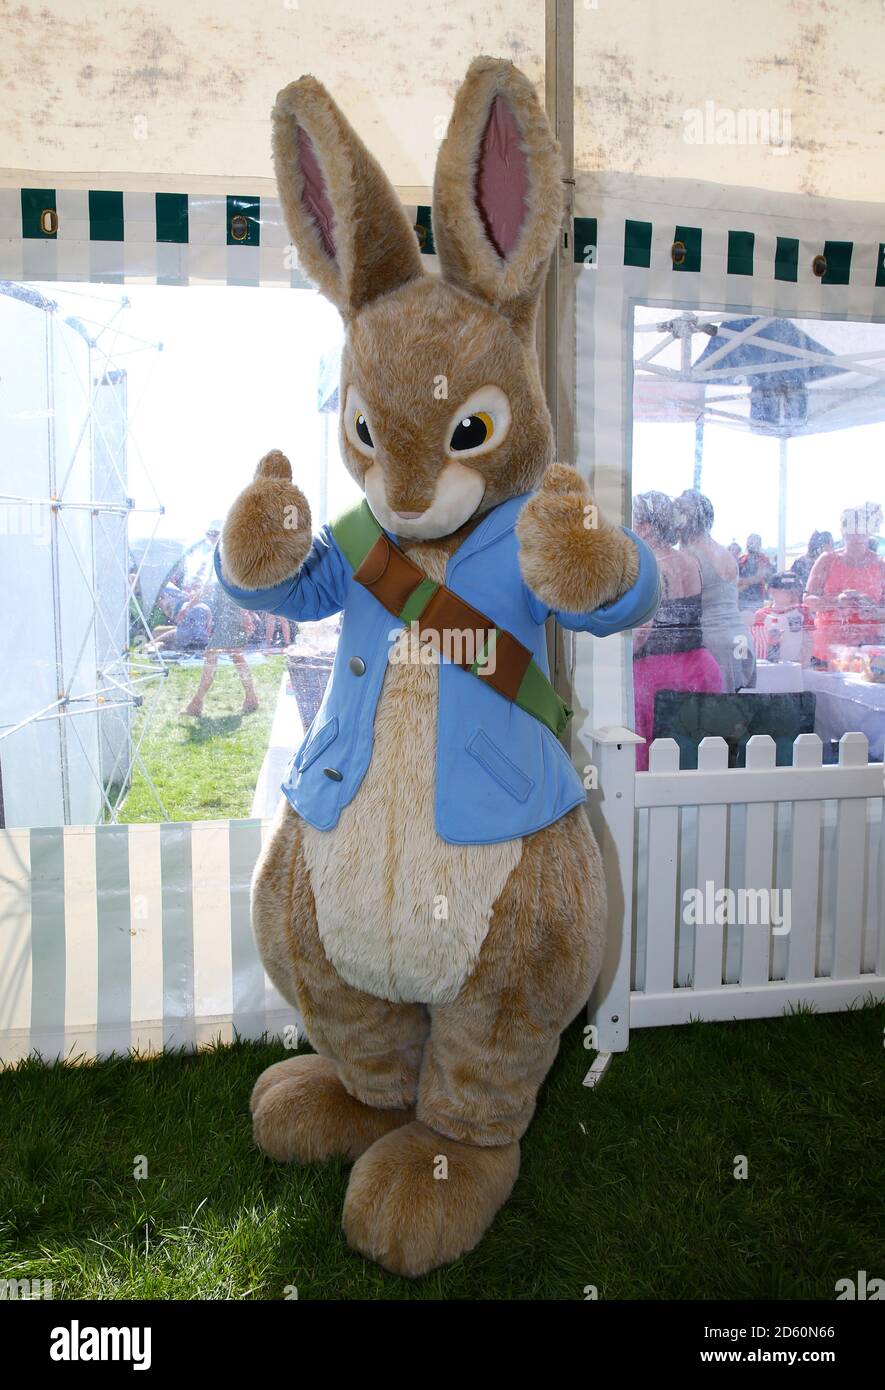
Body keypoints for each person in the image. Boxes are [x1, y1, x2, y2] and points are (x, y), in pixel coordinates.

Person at [632, 492, 723, 770]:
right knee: (701, 758)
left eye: (634, 521)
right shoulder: (690, 561)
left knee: (654, 765)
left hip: (657, 675)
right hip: (701, 666)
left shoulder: (651, 565)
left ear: (646, 527)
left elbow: (642, 631)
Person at [675, 489, 756, 692]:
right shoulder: (725, 553)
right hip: (740, 638)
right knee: (740, 711)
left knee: (716, 716)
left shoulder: (688, 557)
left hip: (713, 643)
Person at [804, 503, 885, 667]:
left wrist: (870, 607)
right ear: (842, 531)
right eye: (851, 530)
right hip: (827, 648)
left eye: (861, 529)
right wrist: (835, 602)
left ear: (869, 531)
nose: (856, 536)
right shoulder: (828, 560)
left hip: (868, 648)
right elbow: (807, 599)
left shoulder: (881, 564)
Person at [181, 575, 259, 717]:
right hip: (226, 625)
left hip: (232, 624)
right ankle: (251, 698)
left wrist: (246, 616)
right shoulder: (221, 579)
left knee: (217, 658)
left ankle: (196, 704)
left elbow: (240, 598)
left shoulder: (228, 578)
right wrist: (188, 606)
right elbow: (204, 592)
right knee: (234, 658)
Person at [752, 572, 812, 665]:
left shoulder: (803, 612)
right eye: (788, 592)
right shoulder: (762, 615)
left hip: (797, 666)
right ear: (772, 591)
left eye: (797, 591)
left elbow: (809, 642)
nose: (794, 595)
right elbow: (758, 646)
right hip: (771, 666)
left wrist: (804, 663)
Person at [737, 532, 775, 612]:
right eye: (750, 542)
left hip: (756, 599)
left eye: (754, 542)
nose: (751, 545)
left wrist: (744, 582)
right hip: (741, 598)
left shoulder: (763, 559)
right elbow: (735, 579)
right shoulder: (742, 560)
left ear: (759, 545)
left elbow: (759, 577)